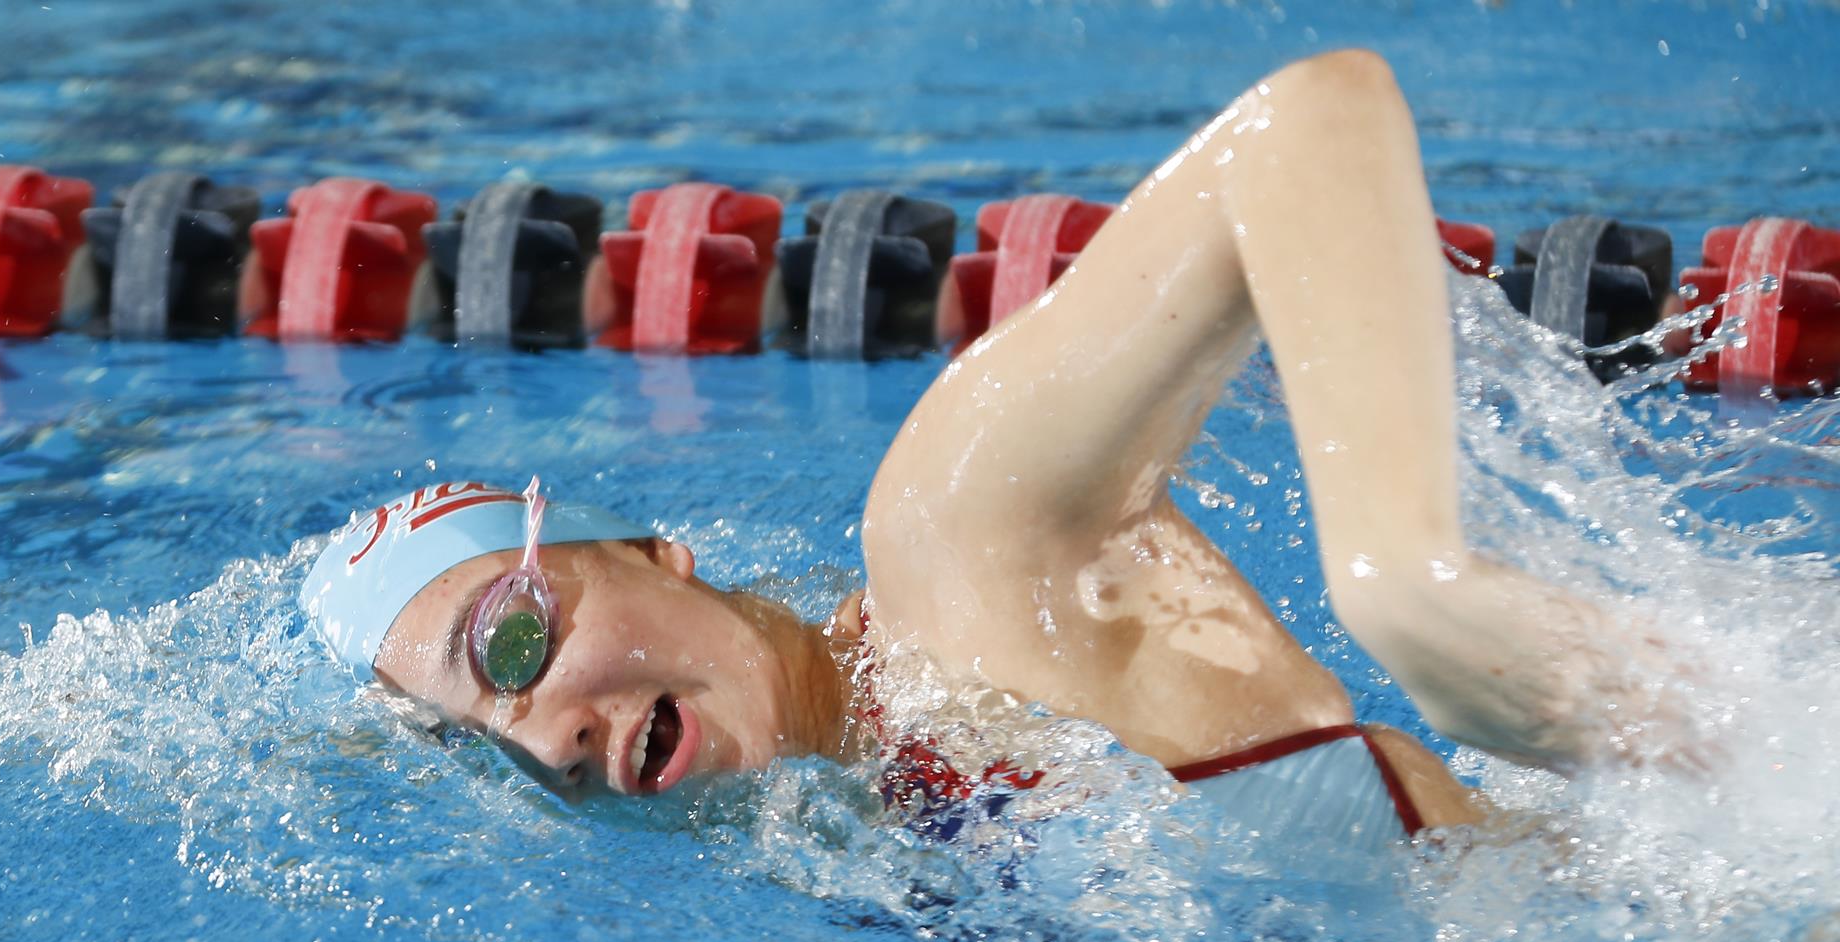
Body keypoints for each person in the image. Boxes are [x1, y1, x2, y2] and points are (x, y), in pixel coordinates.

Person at [300, 49, 1690, 846]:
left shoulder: (957, 546)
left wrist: (1411, 576)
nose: (549, 737)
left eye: (517, 645)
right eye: (488, 741)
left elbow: (1310, 127)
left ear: (661, 552)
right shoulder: (861, 841)